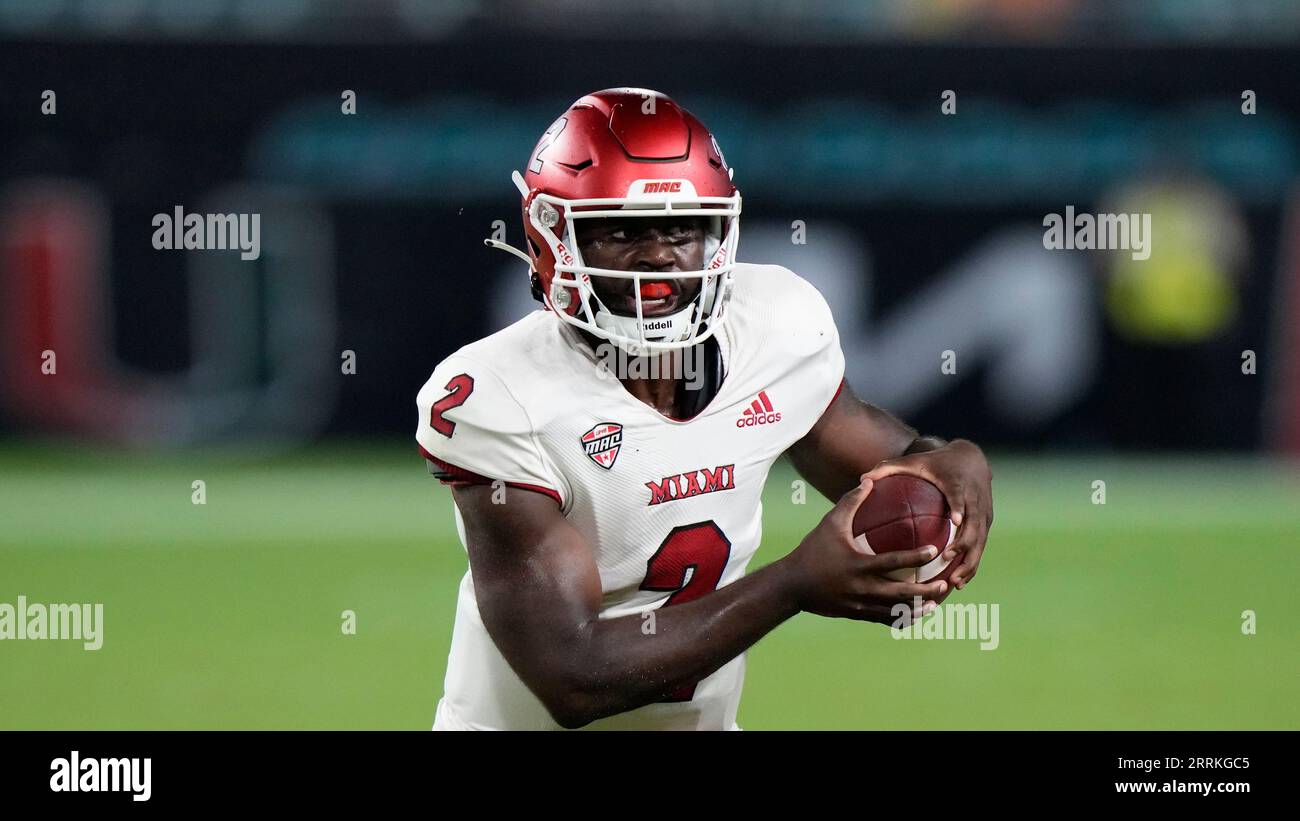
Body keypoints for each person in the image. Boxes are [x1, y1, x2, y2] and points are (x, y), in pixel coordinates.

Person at [416, 88, 993, 730]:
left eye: (682, 226)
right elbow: (573, 676)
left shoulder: (774, 322)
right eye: (620, 229)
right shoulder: (498, 394)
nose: (659, 255)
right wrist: (796, 583)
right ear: (554, 235)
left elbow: (896, 464)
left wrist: (954, 464)